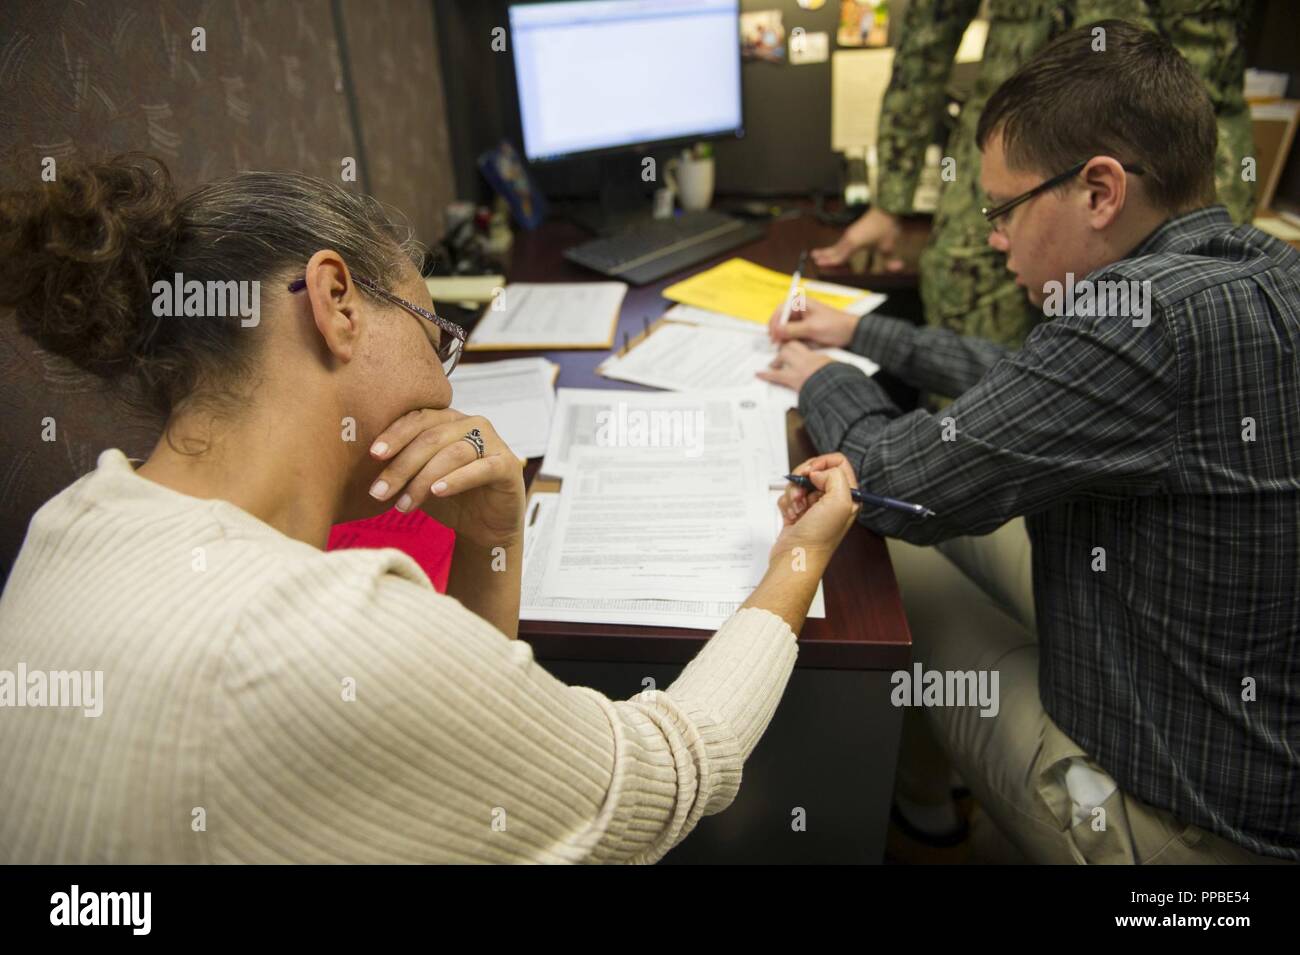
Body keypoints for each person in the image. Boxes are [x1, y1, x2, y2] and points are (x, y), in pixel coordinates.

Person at [0, 156, 859, 863]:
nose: (447, 385)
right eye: (433, 332)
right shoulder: (320, 624)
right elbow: (666, 777)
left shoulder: (69, 523)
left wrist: (492, 537)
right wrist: (799, 556)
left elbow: (465, 748)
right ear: (336, 302)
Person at [763, 21, 1299, 863]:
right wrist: (865, 332)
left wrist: (819, 375)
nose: (993, 237)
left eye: (1004, 209)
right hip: (1249, 744)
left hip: (1181, 825)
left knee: (876, 554)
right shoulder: (1257, 267)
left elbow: (895, 478)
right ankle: (928, 808)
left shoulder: (1143, 322)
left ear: (1098, 192)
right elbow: (1027, 381)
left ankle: (922, 813)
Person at [813, 0, 1255, 360]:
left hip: (1182, 148)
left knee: (1159, 345)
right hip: (1014, 139)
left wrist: (829, 386)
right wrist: (890, 198)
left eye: (1001, 218)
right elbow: (927, 38)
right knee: (973, 311)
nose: (997, 239)